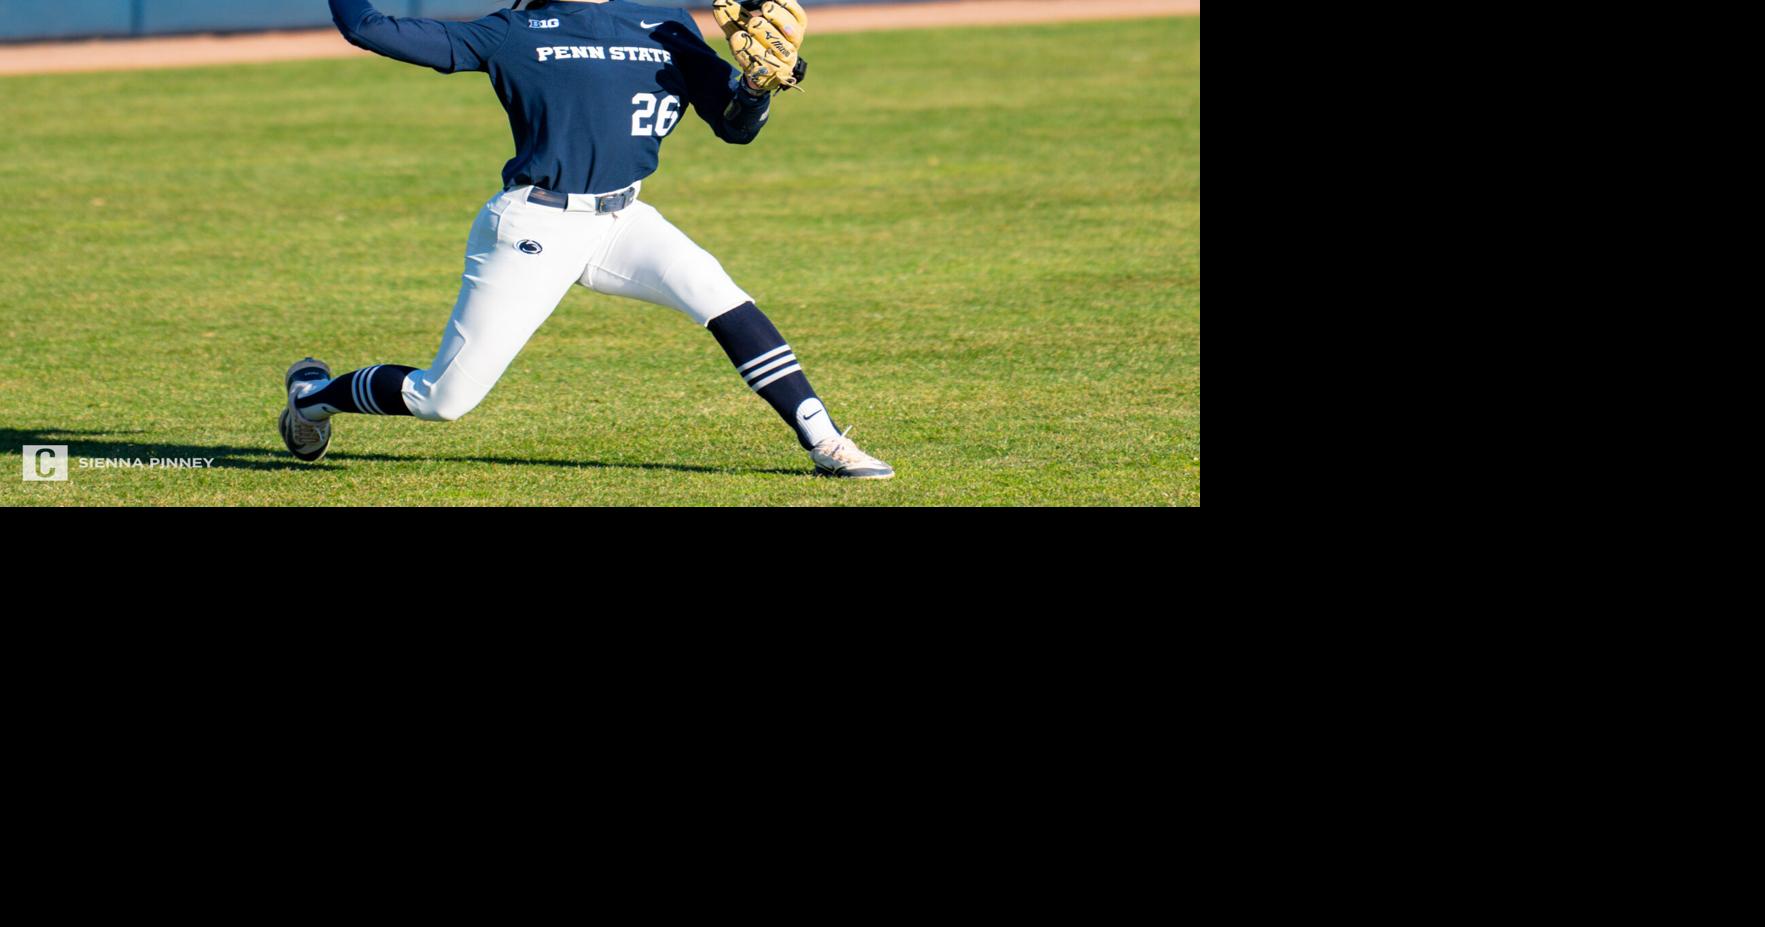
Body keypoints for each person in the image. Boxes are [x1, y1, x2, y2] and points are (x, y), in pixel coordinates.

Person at [280, 0, 894, 479]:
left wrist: (757, 93)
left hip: (624, 219)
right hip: (534, 226)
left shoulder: (667, 24)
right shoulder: (514, 32)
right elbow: (366, 26)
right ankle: (312, 398)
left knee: (723, 299)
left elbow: (734, 129)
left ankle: (825, 441)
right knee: (444, 399)